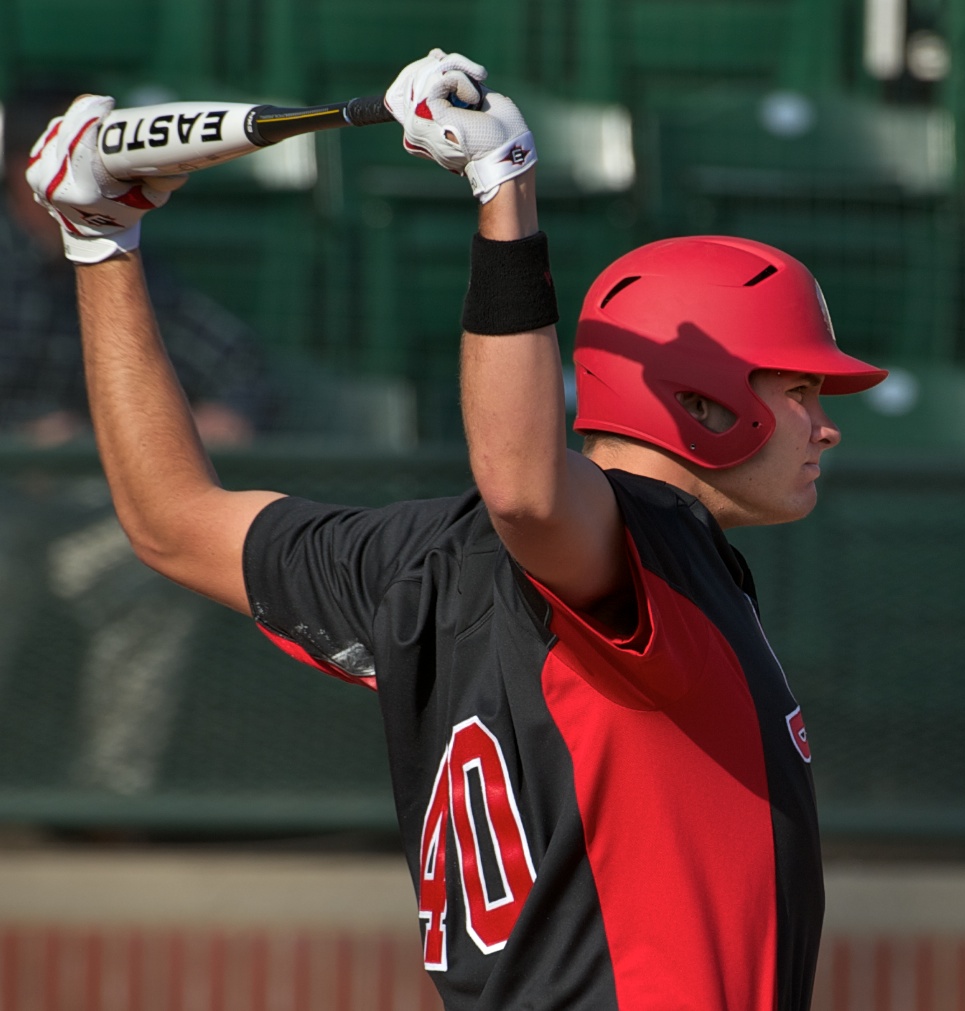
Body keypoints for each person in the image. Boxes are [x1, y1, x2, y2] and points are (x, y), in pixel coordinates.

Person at [26, 51, 886, 1010]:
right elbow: (523, 490)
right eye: (801, 388)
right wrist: (504, 194)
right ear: (703, 401)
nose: (826, 420)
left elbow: (170, 521)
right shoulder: (655, 551)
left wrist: (101, 248)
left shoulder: (416, 558)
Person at [2, 83, 275, 445]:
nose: (112, 185)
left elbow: (236, 362)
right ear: (28, 168)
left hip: (94, 489)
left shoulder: (126, 254)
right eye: (92, 167)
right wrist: (21, 439)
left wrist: (221, 418)